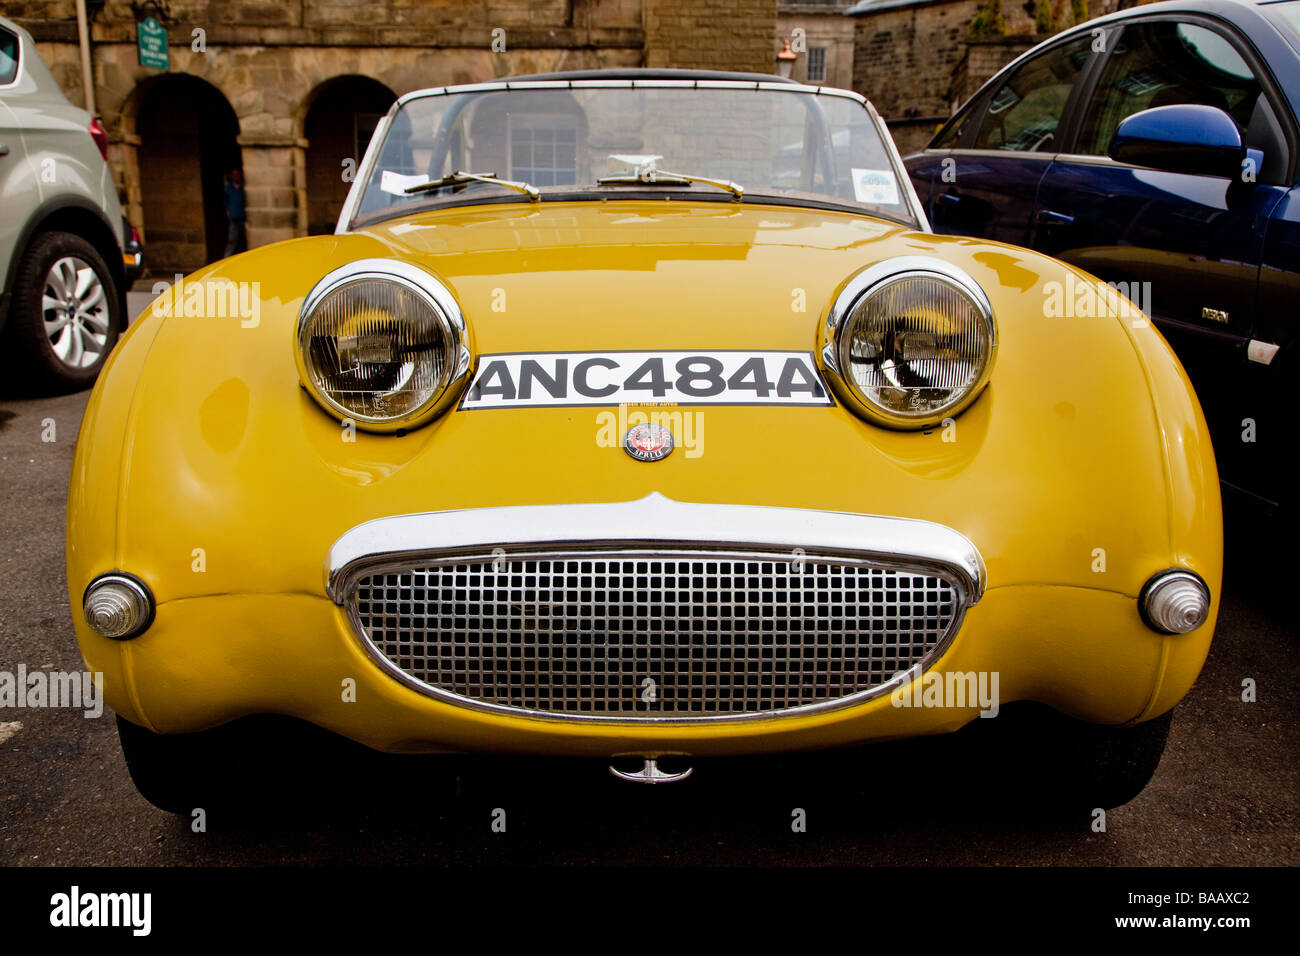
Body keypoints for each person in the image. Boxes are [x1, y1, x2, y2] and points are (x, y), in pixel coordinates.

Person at [222, 168, 247, 257]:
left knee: (246, 239)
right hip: (234, 218)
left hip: (244, 217)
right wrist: (228, 211)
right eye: (234, 175)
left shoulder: (244, 187)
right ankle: (226, 258)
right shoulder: (229, 188)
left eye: (237, 174)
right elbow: (225, 201)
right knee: (232, 240)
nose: (236, 176)